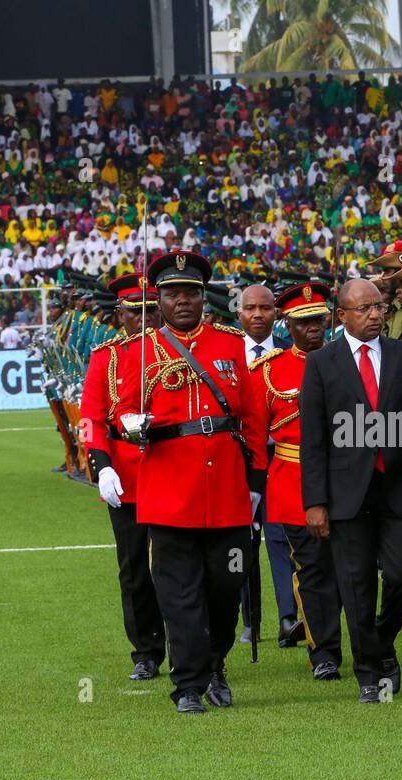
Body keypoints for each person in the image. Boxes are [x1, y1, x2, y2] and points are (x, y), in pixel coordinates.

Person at [108, 249, 268, 714]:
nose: (183, 300)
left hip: (227, 491)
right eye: (173, 293)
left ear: (203, 297)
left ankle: (216, 660)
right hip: (168, 490)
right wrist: (131, 421)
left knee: (226, 583)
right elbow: (118, 411)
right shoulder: (139, 351)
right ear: (158, 299)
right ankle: (189, 685)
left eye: (191, 293)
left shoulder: (231, 344)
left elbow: (254, 417)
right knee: (179, 594)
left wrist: (255, 480)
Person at [299, 278, 402, 703]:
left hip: (399, 488)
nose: (375, 315)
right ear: (341, 315)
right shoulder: (321, 363)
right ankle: (369, 673)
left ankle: (382, 641)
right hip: (345, 494)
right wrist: (315, 502)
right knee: (356, 585)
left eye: (379, 307)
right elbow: (313, 440)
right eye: (364, 309)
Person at [253, 281, 344, 679]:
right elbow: (255, 437)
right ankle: (323, 651)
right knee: (313, 570)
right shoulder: (269, 370)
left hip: (346, 477)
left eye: (319, 320)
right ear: (287, 323)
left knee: (348, 568)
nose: (314, 329)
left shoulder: (347, 359)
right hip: (293, 480)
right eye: (304, 322)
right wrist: (253, 490)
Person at [79, 272, 165, 680]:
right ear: (120, 314)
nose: (145, 319)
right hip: (127, 472)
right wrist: (102, 465)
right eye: (136, 312)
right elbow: (91, 418)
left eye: (152, 310)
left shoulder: (181, 350)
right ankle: (146, 650)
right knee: (134, 568)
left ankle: (192, 648)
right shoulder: (105, 357)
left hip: (173, 467)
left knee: (180, 565)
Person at [237, 284, 301, 648]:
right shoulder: (227, 353)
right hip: (240, 462)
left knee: (281, 538)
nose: (258, 315)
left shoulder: (289, 352)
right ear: (240, 313)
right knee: (243, 542)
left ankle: (289, 617)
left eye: (265, 308)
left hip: (280, 459)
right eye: (251, 308)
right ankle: (250, 619)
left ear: (276, 313)